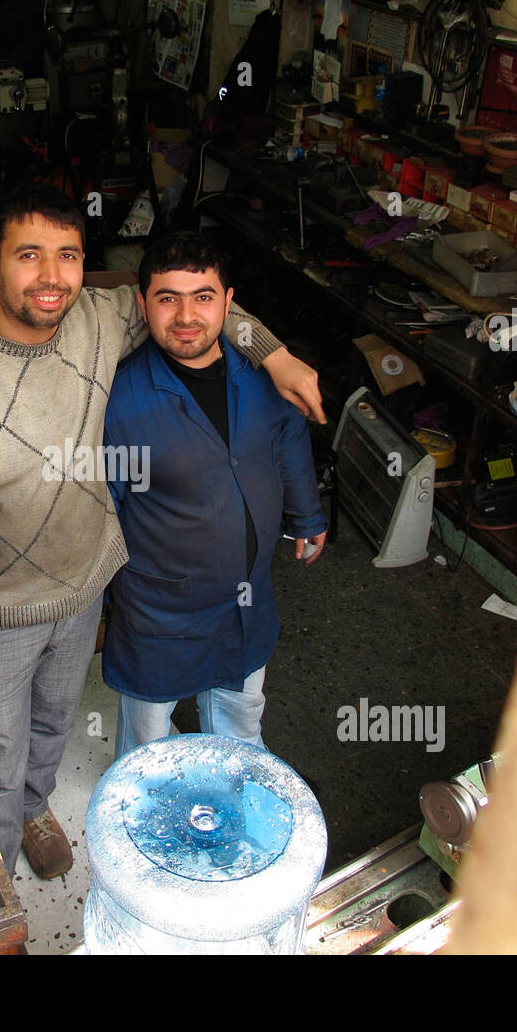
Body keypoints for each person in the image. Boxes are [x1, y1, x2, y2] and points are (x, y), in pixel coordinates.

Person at [0, 183, 325, 878]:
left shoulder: (97, 316)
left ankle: (36, 807)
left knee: (54, 727)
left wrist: (274, 354)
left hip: (83, 592)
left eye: (68, 256)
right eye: (29, 256)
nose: (52, 278)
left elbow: (197, 305)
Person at [101, 232, 328, 757]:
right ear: (142, 305)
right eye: (167, 298)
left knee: (240, 719)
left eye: (203, 297)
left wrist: (306, 515)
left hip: (246, 596)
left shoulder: (263, 379)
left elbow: (289, 442)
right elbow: (100, 510)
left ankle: (234, 796)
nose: (186, 315)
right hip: (157, 607)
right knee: (148, 738)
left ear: (229, 303)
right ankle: (139, 821)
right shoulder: (119, 401)